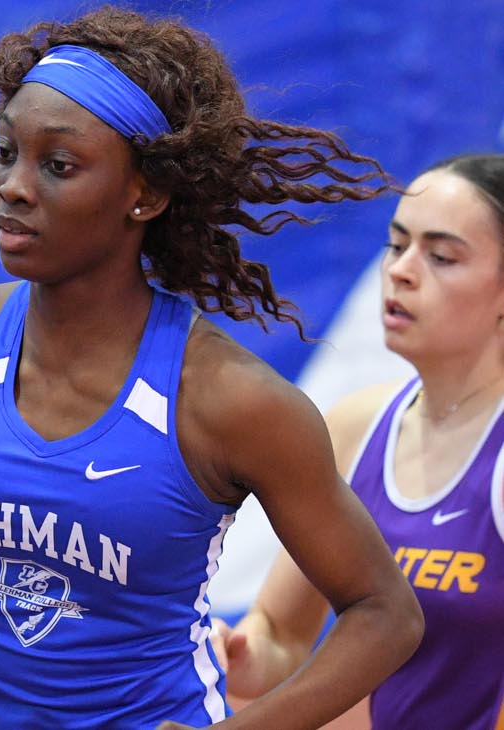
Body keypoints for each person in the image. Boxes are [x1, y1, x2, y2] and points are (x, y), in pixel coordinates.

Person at [0, 7, 423, 730]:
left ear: (144, 194)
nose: (13, 186)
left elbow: (385, 613)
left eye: (59, 165)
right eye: (5, 152)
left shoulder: (227, 400)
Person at [216, 154, 504, 729]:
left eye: (441, 256)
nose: (401, 270)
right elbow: (284, 634)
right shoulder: (356, 428)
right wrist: (240, 658)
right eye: (397, 246)